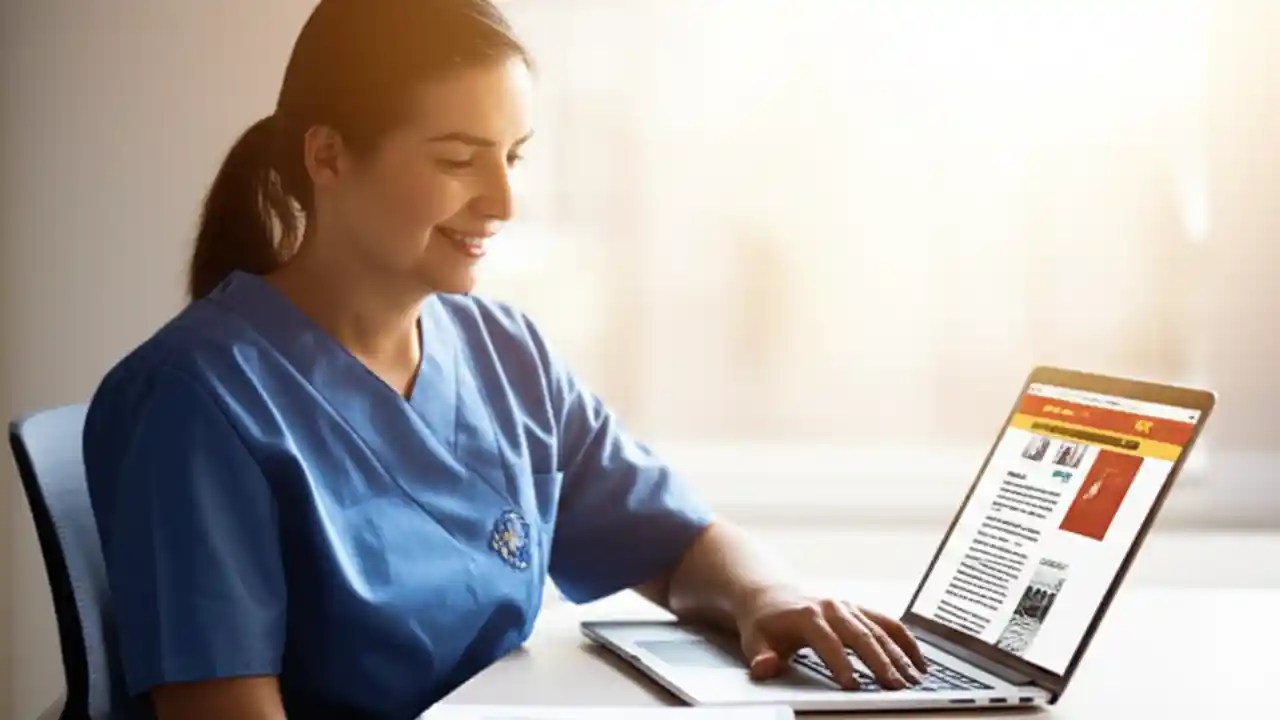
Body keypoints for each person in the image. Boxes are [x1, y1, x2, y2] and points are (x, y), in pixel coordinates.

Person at [83, 1, 926, 718]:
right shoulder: (197, 402)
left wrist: (767, 595)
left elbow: (670, 541)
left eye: (513, 156)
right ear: (329, 156)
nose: (504, 201)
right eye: (457, 160)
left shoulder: (502, 352)